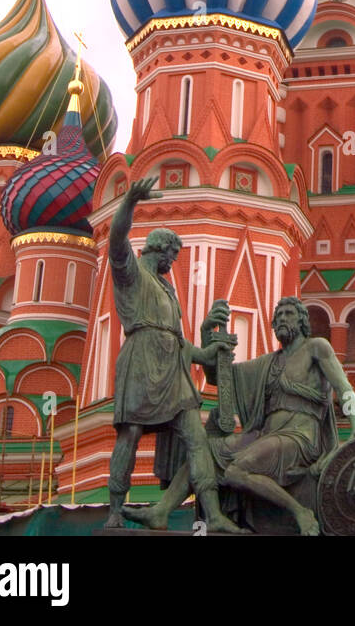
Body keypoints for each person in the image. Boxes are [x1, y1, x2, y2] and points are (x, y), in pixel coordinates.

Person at [125, 295, 355, 535]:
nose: (281, 318)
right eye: (278, 315)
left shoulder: (316, 348)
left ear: (302, 321)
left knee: (236, 472)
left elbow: (343, 387)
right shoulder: (268, 363)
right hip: (266, 435)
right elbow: (220, 377)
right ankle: (161, 512)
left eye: (289, 313)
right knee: (203, 450)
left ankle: (300, 512)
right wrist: (207, 335)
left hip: (300, 438)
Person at [104, 175, 242, 532]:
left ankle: (213, 516)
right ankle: (115, 511)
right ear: (158, 250)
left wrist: (208, 350)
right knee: (130, 433)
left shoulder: (168, 291)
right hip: (141, 359)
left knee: (197, 439)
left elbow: (179, 344)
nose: (173, 262)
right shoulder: (131, 274)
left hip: (172, 369)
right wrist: (130, 202)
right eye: (172, 255)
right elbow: (116, 241)